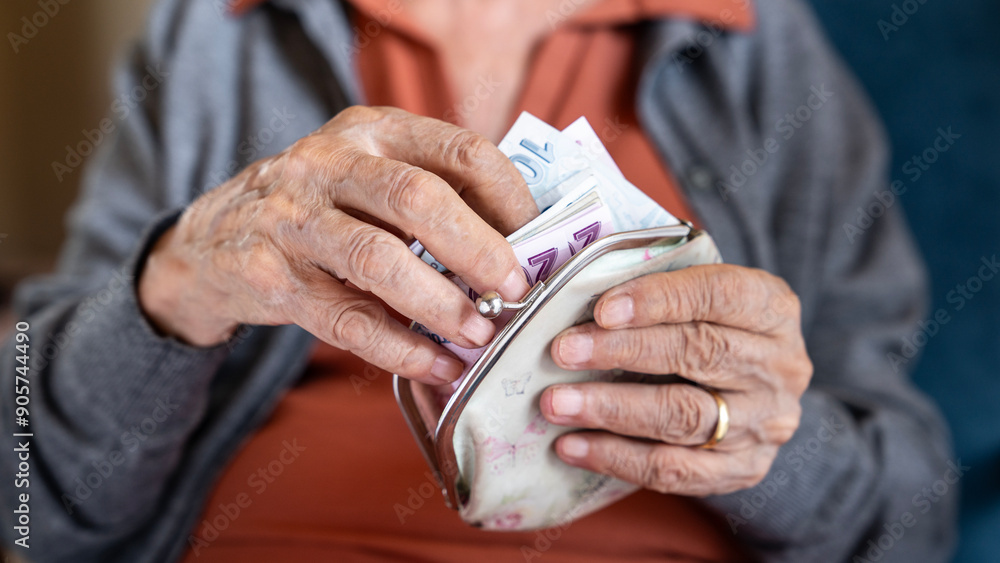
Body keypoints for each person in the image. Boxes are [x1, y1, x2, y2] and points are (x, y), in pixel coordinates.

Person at [0, 0, 956, 561]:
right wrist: (181, 276)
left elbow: (912, 522)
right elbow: (28, 498)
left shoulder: (753, 40)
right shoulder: (218, 30)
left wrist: (763, 442)